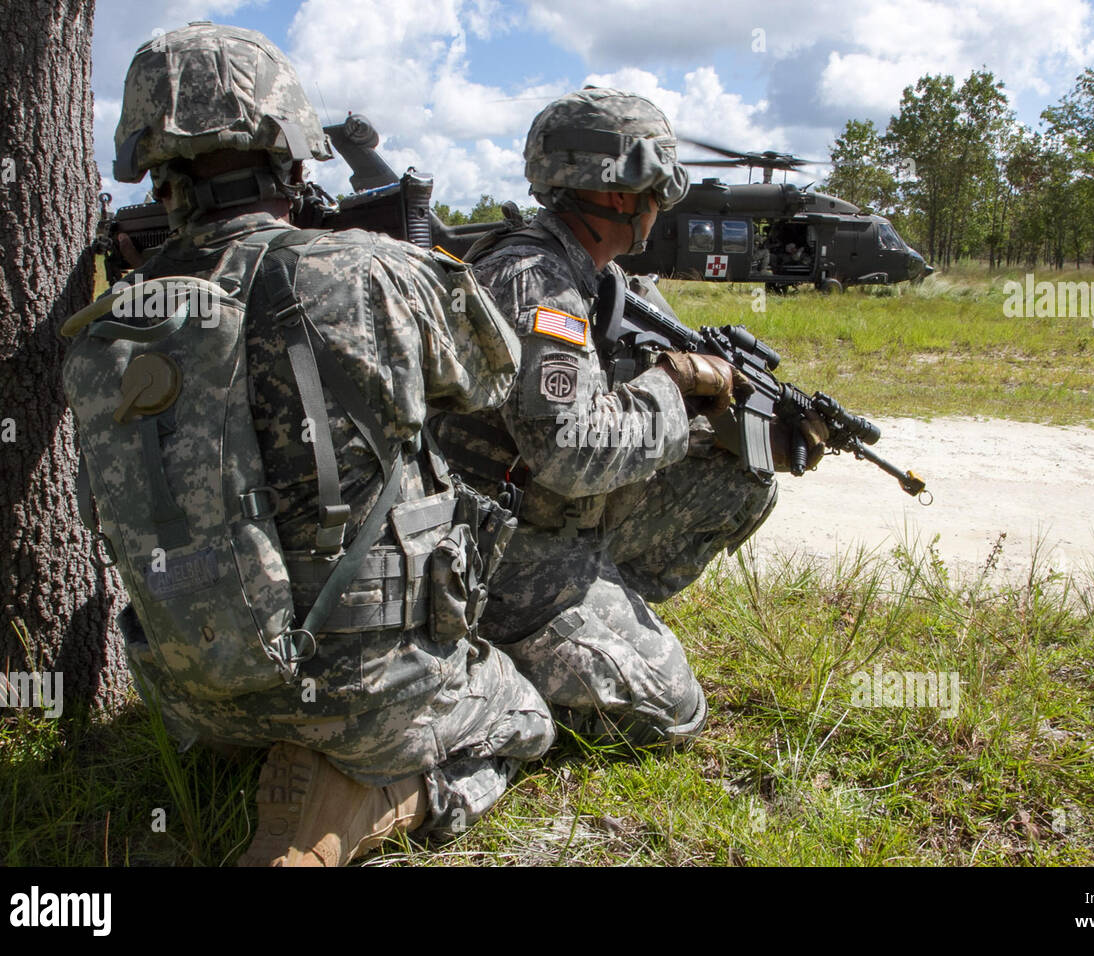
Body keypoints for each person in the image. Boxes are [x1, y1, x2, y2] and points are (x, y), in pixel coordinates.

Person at [78, 23, 554, 866]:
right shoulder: (374, 271)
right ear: (294, 157)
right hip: (367, 690)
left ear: (154, 169)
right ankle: (369, 797)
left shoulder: (120, 316)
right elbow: (490, 381)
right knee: (526, 718)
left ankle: (267, 750)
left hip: (193, 694)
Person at [431, 88, 829, 749]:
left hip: (554, 520)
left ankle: (598, 616)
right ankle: (492, 674)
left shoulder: (600, 279)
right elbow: (571, 449)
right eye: (659, 185)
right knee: (676, 711)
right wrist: (672, 387)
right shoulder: (537, 283)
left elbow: (621, 421)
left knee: (742, 480)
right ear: (621, 193)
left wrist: (742, 425)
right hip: (504, 560)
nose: (664, 203)